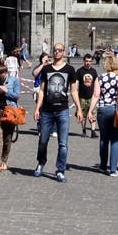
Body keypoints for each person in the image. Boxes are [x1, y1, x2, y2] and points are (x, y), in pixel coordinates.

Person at [33, 42, 82, 182]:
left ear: (64, 52)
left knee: (63, 143)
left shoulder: (70, 70)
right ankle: (41, 163)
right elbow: (42, 90)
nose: (57, 52)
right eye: (55, 50)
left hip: (63, 111)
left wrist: (79, 109)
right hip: (47, 111)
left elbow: (73, 90)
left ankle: (60, 170)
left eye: (60, 50)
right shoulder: (46, 69)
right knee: (43, 140)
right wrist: (37, 108)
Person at [87, 54, 118, 177]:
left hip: (103, 110)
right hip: (116, 109)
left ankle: (102, 165)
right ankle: (113, 169)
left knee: (104, 139)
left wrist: (90, 111)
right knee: (115, 139)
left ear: (105, 65)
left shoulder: (99, 78)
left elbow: (95, 95)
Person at [0, 62, 21, 172]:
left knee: (7, 138)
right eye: (0, 73)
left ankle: (4, 162)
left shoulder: (13, 80)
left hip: (9, 111)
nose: (1, 76)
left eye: (3, 73)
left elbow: (17, 95)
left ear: (7, 72)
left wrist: (6, 92)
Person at [75, 53, 98, 138]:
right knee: (83, 115)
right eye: (86, 61)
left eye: (89, 61)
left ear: (91, 61)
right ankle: (84, 130)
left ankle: (93, 131)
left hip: (92, 96)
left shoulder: (93, 71)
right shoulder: (79, 71)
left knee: (93, 114)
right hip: (82, 97)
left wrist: (96, 93)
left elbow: (96, 83)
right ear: (84, 61)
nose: (88, 62)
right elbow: (76, 83)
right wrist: (76, 93)